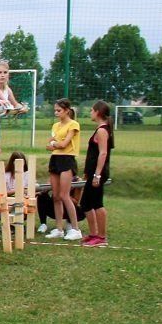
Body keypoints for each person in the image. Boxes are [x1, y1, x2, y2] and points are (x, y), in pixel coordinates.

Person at [45, 100, 81, 239]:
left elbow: (65, 144)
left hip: (67, 159)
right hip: (55, 159)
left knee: (65, 195)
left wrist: (55, 144)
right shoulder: (56, 125)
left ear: (66, 110)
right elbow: (50, 144)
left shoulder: (73, 124)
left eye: (59, 110)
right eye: (55, 110)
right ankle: (59, 229)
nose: (56, 113)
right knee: (56, 196)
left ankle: (75, 229)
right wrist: (55, 144)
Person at [79, 100, 113, 246]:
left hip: (98, 173)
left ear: (98, 112)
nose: (90, 113)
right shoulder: (100, 128)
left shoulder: (102, 130)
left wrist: (97, 175)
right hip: (92, 172)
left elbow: (103, 153)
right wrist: (88, 172)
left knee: (97, 204)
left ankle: (101, 237)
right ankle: (93, 234)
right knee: (86, 203)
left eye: (92, 110)